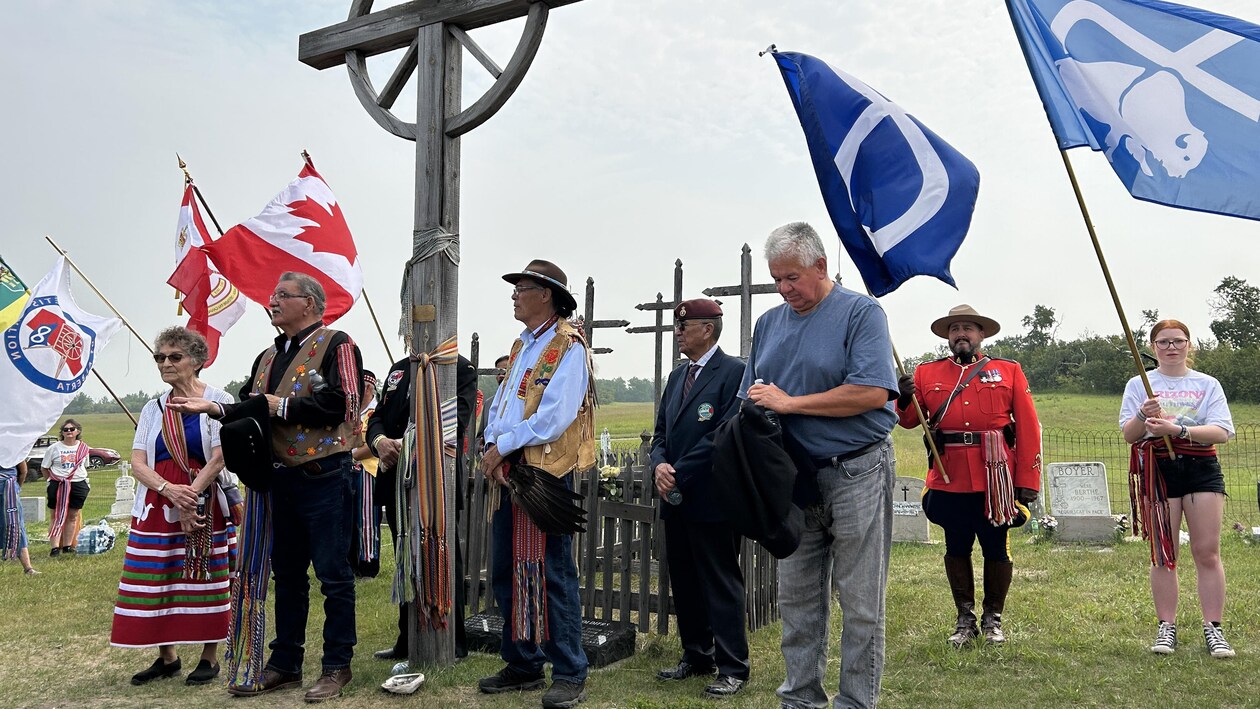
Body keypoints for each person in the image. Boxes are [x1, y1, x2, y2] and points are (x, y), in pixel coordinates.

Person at [169, 272, 365, 701]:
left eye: (282, 296)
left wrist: (283, 405)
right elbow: (251, 408)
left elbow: (345, 404)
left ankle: (336, 667)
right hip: (278, 481)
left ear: (309, 303)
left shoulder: (338, 344)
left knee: (333, 575)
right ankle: (285, 664)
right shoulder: (266, 357)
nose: (271, 301)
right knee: (288, 575)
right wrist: (217, 408)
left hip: (325, 477)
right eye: (272, 294)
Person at [740, 222, 898, 709]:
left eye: (792, 278)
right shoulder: (768, 323)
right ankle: (800, 699)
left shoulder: (861, 313)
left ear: (821, 266)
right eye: (777, 280)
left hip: (857, 472)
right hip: (794, 479)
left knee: (860, 602)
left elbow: (873, 392)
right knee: (797, 600)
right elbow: (752, 395)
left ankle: (855, 702)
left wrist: (791, 404)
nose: (785, 289)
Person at [479, 259, 595, 709]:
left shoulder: (568, 347)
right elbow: (503, 403)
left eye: (521, 288)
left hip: (542, 475)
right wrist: (492, 442)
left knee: (551, 573)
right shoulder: (523, 345)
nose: (514, 295)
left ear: (545, 294)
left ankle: (569, 670)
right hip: (509, 472)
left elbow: (554, 417)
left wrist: (504, 445)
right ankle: (523, 662)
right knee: (507, 568)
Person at [895, 305, 1042, 646]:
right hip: (950, 477)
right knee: (955, 545)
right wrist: (903, 396)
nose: (960, 333)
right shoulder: (926, 373)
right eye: (954, 329)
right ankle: (965, 620)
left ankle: (993, 619)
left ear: (982, 335)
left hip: (996, 478)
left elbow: (1028, 428)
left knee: (996, 548)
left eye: (968, 328)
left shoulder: (1008, 371)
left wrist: (1027, 480)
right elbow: (907, 420)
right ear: (948, 336)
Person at [110, 326, 236, 686]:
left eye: (174, 357)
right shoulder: (153, 408)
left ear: (196, 361)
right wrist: (168, 490)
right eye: (160, 357)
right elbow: (137, 461)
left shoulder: (218, 399)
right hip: (156, 503)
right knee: (157, 578)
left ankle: (209, 656)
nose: (165, 363)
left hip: (204, 498)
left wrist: (190, 496)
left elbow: (219, 457)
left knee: (205, 575)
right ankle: (167, 656)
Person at [650, 298, 749, 698]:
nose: (677, 333)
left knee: (719, 581)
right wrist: (659, 464)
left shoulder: (734, 373)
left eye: (683, 327)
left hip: (711, 496)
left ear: (707, 330)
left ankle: (733, 667)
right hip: (674, 499)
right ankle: (696, 654)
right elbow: (660, 434)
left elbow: (723, 435)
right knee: (685, 579)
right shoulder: (677, 378)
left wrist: (678, 472)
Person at [1121, 319, 1236, 659]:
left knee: (1207, 552)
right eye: (1163, 342)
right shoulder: (1139, 385)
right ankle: (1166, 627)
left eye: (1178, 341)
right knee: (1164, 553)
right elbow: (1130, 434)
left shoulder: (1207, 384)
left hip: (1201, 469)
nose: (1171, 347)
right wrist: (1144, 414)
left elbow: (1222, 431)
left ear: (1189, 345)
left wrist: (1179, 429)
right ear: (1153, 348)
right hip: (1159, 470)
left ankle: (1214, 628)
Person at [366, 354, 476, 660]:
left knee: (442, 555)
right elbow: (378, 415)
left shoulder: (459, 368)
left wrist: (408, 443)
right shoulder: (399, 369)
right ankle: (407, 639)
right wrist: (379, 441)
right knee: (405, 556)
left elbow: (457, 420)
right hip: (395, 477)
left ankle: (452, 640)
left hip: (435, 479)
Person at [41, 418, 91, 556]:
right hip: (58, 483)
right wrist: (51, 481)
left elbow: (84, 466)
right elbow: (45, 468)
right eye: (65, 430)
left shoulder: (83, 448)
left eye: (72, 429)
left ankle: (68, 545)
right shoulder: (54, 448)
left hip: (78, 483)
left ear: (78, 432)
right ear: (62, 432)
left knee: (73, 515)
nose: (69, 432)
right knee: (56, 515)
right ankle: (55, 547)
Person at [349, 370, 380, 577]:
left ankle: (368, 562)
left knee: (367, 516)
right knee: (349, 517)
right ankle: (351, 562)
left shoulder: (375, 412)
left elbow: (373, 442)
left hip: (368, 469)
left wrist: (352, 454)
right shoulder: (353, 412)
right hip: (349, 469)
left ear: (368, 388)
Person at [2, 460, 39, 575]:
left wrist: (16, 488)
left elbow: (23, 471)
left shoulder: (13, 448)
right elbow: (23, 472)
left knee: (17, 526)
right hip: (11, 488)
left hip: (9, 491)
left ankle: (28, 568)